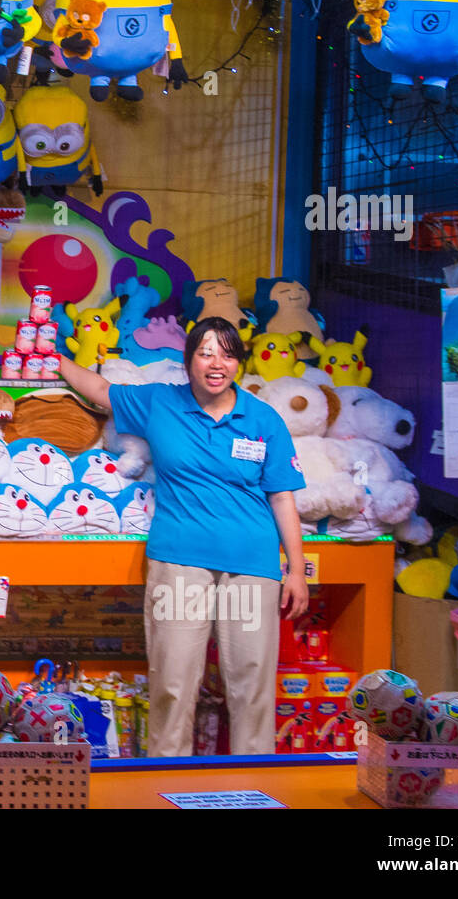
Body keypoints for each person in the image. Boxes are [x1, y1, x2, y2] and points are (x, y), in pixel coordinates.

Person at [60, 316, 309, 755]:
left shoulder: (264, 420)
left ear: (240, 364)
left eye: (228, 354)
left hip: (252, 565)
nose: (217, 364)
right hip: (179, 562)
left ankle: (253, 789)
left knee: (251, 690)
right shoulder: (161, 402)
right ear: (188, 359)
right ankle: (161, 788)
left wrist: (296, 571)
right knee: (172, 686)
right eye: (206, 352)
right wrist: (53, 359)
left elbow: (283, 499)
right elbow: (100, 390)